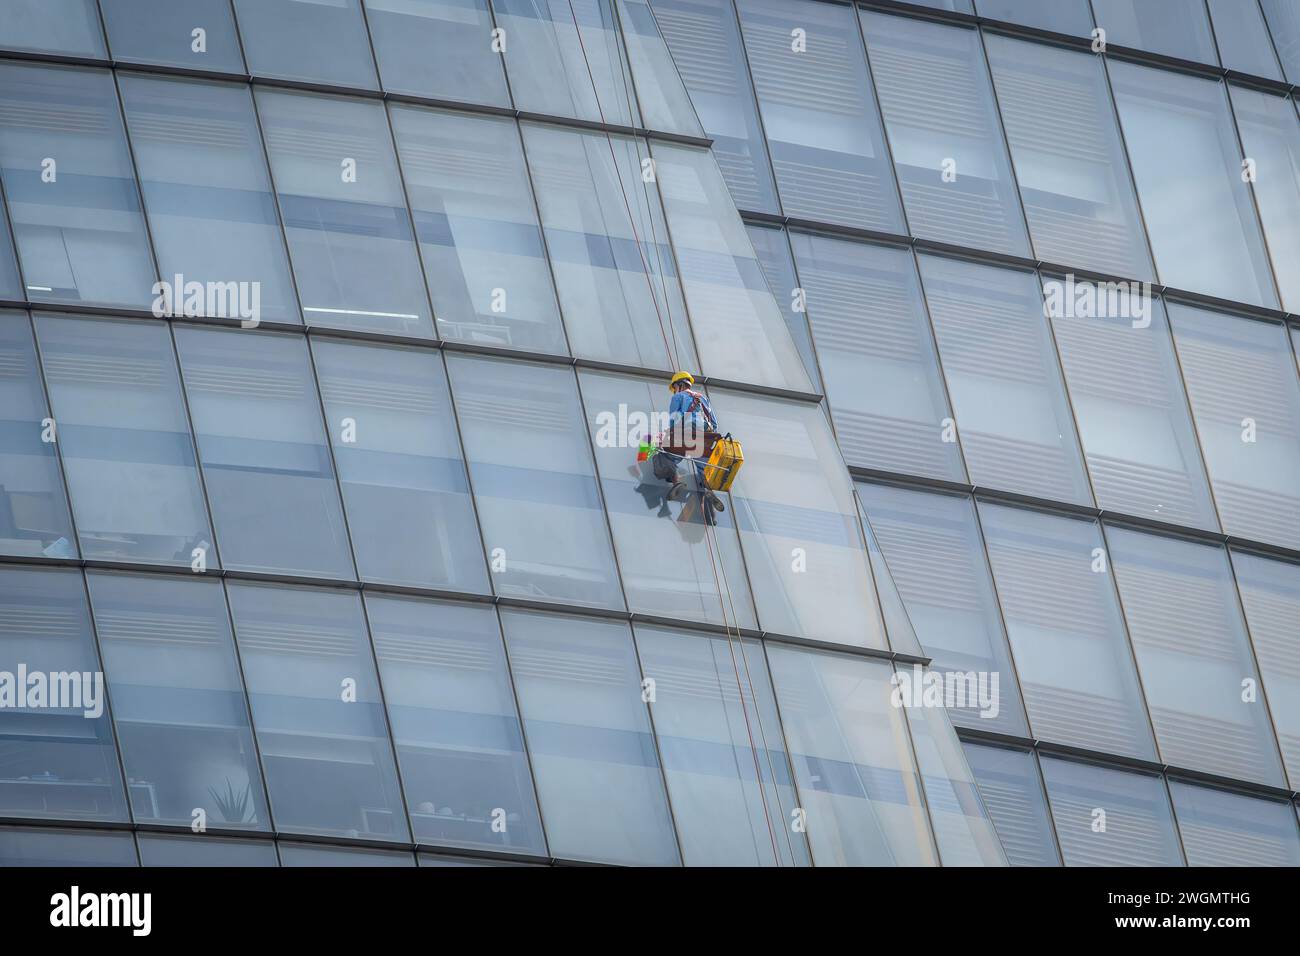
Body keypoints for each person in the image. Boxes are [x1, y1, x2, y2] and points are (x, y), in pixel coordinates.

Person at [658, 371, 725, 512]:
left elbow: (674, 418)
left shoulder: (678, 396)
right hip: (706, 434)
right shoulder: (703, 398)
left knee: (666, 456)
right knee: (702, 465)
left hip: (687, 431)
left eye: (674, 388)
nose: (674, 391)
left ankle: (676, 482)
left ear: (679, 385)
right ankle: (709, 490)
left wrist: (668, 435)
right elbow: (714, 422)